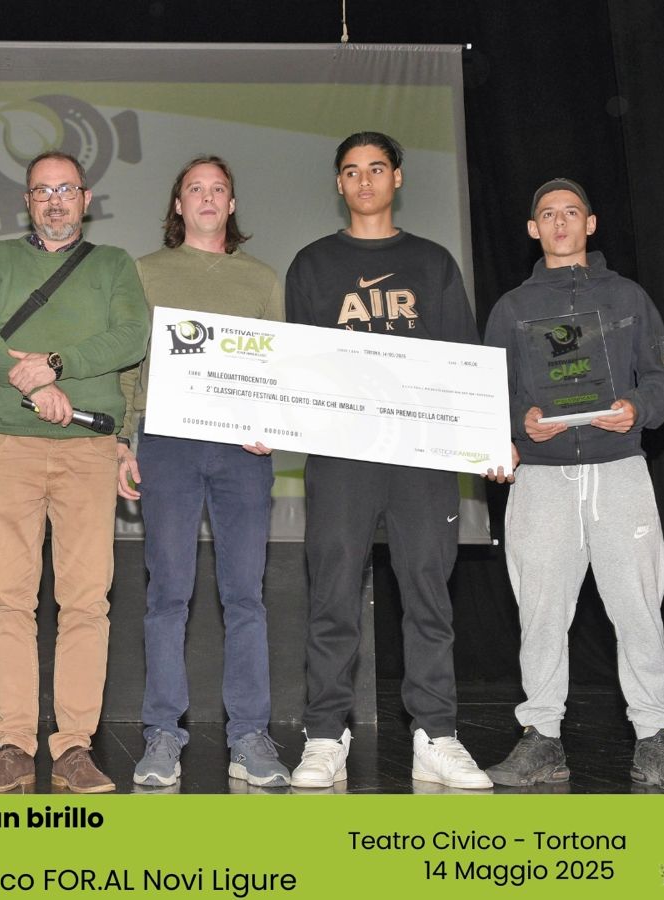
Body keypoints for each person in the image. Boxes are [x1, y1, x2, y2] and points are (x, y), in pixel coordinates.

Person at [481, 179, 664, 791]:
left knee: (638, 607)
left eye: (570, 213)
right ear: (533, 229)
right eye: (547, 215)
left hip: (620, 473)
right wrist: (516, 421)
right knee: (542, 612)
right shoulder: (511, 308)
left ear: (591, 223)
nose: (559, 223)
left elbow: (662, 380)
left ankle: (655, 739)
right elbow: (489, 394)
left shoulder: (628, 297)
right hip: (543, 478)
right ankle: (542, 741)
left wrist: (636, 408)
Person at [284, 131, 491, 790]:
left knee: (429, 593)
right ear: (338, 184)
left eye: (377, 168)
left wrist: (482, 435)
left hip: (422, 455)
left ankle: (437, 733)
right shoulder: (312, 265)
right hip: (344, 453)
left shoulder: (433, 264)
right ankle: (324, 736)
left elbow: (465, 359)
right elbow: (297, 364)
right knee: (333, 596)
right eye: (352, 171)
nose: (365, 180)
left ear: (397, 178)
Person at [0, 151, 150, 793]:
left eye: (66, 188)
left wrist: (55, 365)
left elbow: (131, 339)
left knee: (85, 601)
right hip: (10, 446)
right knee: (9, 598)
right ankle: (13, 745)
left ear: (86, 198)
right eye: (43, 190)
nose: (55, 200)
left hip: (88, 451)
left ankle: (73, 748)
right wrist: (35, 388)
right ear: (28, 201)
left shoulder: (114, 264)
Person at [117, 156, 287, 787]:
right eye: (196, 189)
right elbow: (130, 366)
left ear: (232, 204)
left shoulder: (264, 280)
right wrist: (120, 440)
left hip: (244, 452)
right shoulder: (144, 272)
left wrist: (276, 424)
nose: (208, 197)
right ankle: (163, 733)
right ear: (179, 206)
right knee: (169, 594)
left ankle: (249, 735)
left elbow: (280, 369)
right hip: (168, 445)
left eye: (219, 188)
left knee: (245, 595)